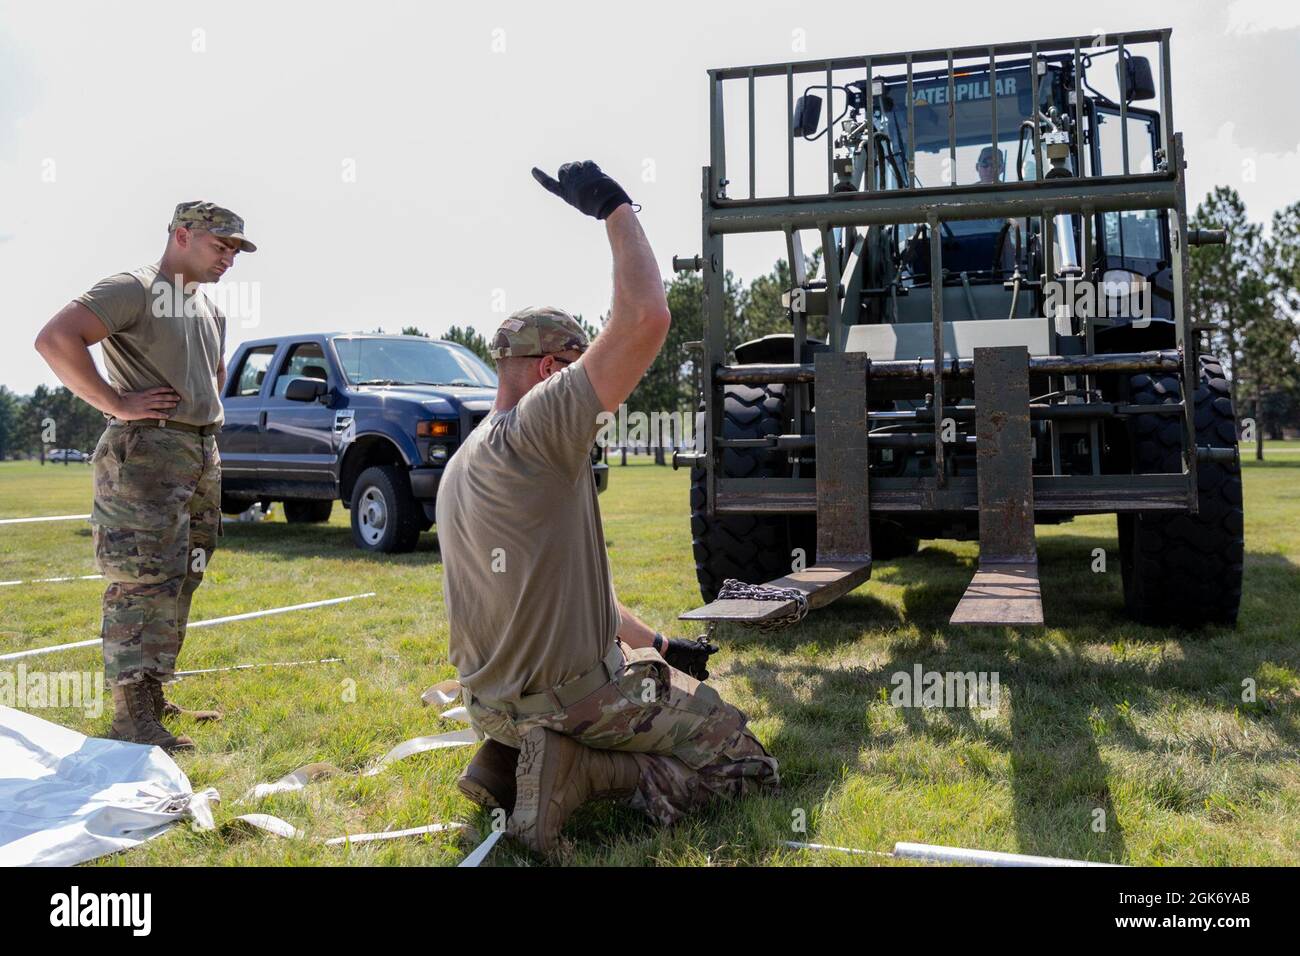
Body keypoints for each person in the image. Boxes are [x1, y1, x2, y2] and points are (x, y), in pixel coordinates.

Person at [435, 161, 779, 856]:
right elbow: (646, 318)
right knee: (747, 764)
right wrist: (615, 207)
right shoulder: (541, 426)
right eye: (578, 361)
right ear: (550, 373)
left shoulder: (465, 461)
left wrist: (657, 646)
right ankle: (581, 771)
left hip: (491, 701)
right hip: (571, 700)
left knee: (655, 689)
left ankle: (507, 758)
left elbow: (560, 595)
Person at [34, 201, 255, 752]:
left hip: (198, 451)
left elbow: (214, 372)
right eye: (219, 245)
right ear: (181, 235)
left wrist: (204, 417)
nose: (228, 258)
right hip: (146, 451)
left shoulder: (207, 308)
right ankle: (131, 717)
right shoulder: (133, 287)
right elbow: (55, 339)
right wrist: (117, 402)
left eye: (234, 250)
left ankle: (151, 694)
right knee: (140, 581)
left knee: (181, 574)